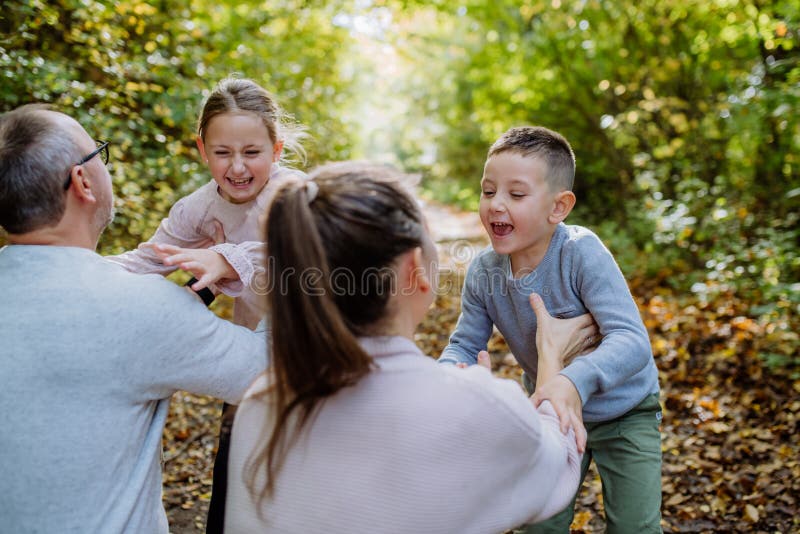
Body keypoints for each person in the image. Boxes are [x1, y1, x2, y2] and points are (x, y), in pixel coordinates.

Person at [224, 162, 596, 534]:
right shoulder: (475, 405)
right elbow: (557, 467)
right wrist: (550, 360)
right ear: (415, 269)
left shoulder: (260, 401)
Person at [0, 104, 266, 533]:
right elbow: (270, 371)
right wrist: (284, 263)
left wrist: (215, 280)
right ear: (82, 181)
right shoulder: (143, 306)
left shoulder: (138, 304)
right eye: (97, 155)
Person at [105, 77, 306, 532]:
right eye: (222, 153)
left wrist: (226, 258)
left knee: (305, 456)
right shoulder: (198, 209)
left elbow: (298, 255)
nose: (237, 168)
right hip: (256, 353)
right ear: (202, 149)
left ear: (275, 151)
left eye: (252, 153)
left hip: (317, 343)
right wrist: (75, 268)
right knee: (237, 450)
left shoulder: (293, 193)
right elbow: (148, 258)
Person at [438, 126, 662, 533]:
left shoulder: (580, 254)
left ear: (558, 207)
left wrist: (574, 382)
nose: (496, 205)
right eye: (488, 192)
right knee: (539, 522)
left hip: (624, 411)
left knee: (634, 526)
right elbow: (465, 344)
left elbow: (631, 340)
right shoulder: (484, 272)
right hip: (548, 411)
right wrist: (450, 374)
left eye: (516, 194)